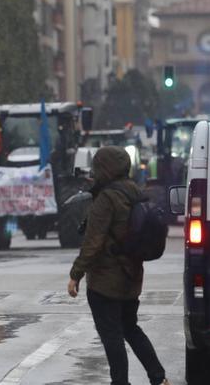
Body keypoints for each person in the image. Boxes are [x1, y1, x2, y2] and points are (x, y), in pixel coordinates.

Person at [67, 146, 169, 385]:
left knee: (112, 336)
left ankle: (120, 382)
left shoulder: (106, 198)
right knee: (131, 329)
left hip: (105, 281)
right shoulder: (134, 191)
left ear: (104, 168)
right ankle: (159, 378)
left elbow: (93, 242)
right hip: (132, 276)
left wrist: (75, 274)